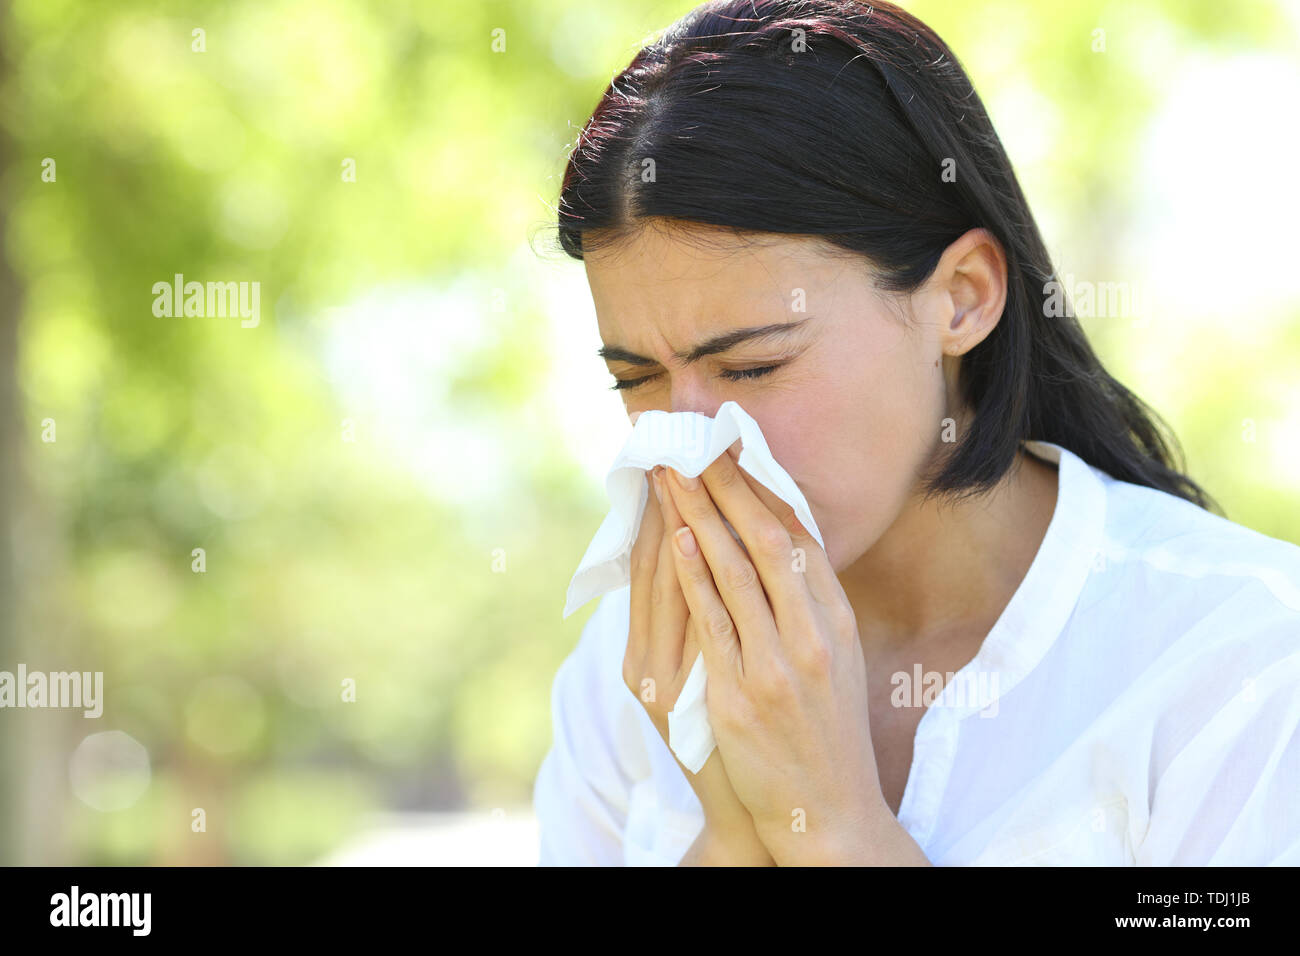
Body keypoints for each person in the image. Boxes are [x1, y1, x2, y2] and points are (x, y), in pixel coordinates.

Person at [533, 0, 1300, 865]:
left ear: (963, 296)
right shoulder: (634, 670)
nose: (691, 442)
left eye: (752, 369)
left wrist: (832, 825)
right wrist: (735, 834)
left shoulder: (1243, 661)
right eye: (635, 380)